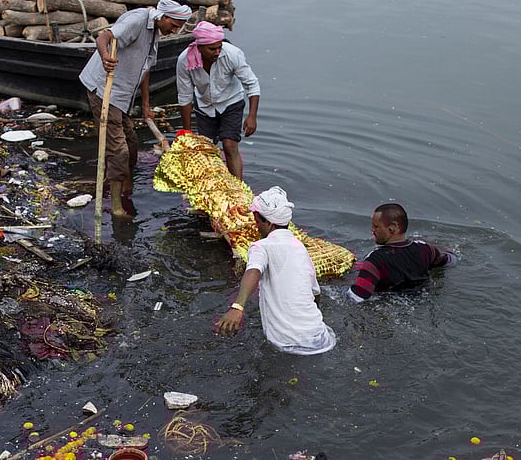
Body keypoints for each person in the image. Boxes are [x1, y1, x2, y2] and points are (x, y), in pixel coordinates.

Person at [80, 0, 192, 219]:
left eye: (179, 27)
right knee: (119, 151)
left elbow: (145, 69)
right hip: (104, 89)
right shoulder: (137, 21)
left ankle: (125, 185)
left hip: (124, 95)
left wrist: (146, 105)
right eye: (173, 25)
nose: (175, 31)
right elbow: (104, 37)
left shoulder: (156, 32)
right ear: (162, 16)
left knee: (131, 144)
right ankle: (116, 206)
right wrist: (105, 57)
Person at [214, 187, 337, 355]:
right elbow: (315, 293)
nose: (256, 226)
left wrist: (238, 307)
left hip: (286, 343)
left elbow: (253, 271)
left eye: (257, 221)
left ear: (269, 223)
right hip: (321, 338)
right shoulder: (299, 247)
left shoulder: (261, 246)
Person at [175, 21, 260, 179]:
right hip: (204, 105)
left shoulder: (232, 54)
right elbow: (185, 96)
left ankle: (237, 187)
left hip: (231, 102)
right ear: (200, 47)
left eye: (219, 47)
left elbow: (252, 84)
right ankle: (214, 186)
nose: (217, 52)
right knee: (207, 149)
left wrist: (252, 116)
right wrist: (187, 133)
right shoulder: (184, 60)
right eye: (212, 49)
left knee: (229, 145)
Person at [348, 203, 459, 302]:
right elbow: (451, 260)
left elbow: (357, 298)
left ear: (392, 228)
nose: (372, 230)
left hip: (389, 305)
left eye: (376, 226)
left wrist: (341, 282)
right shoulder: (426, 249)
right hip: (422, 299)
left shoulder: (374, 260)